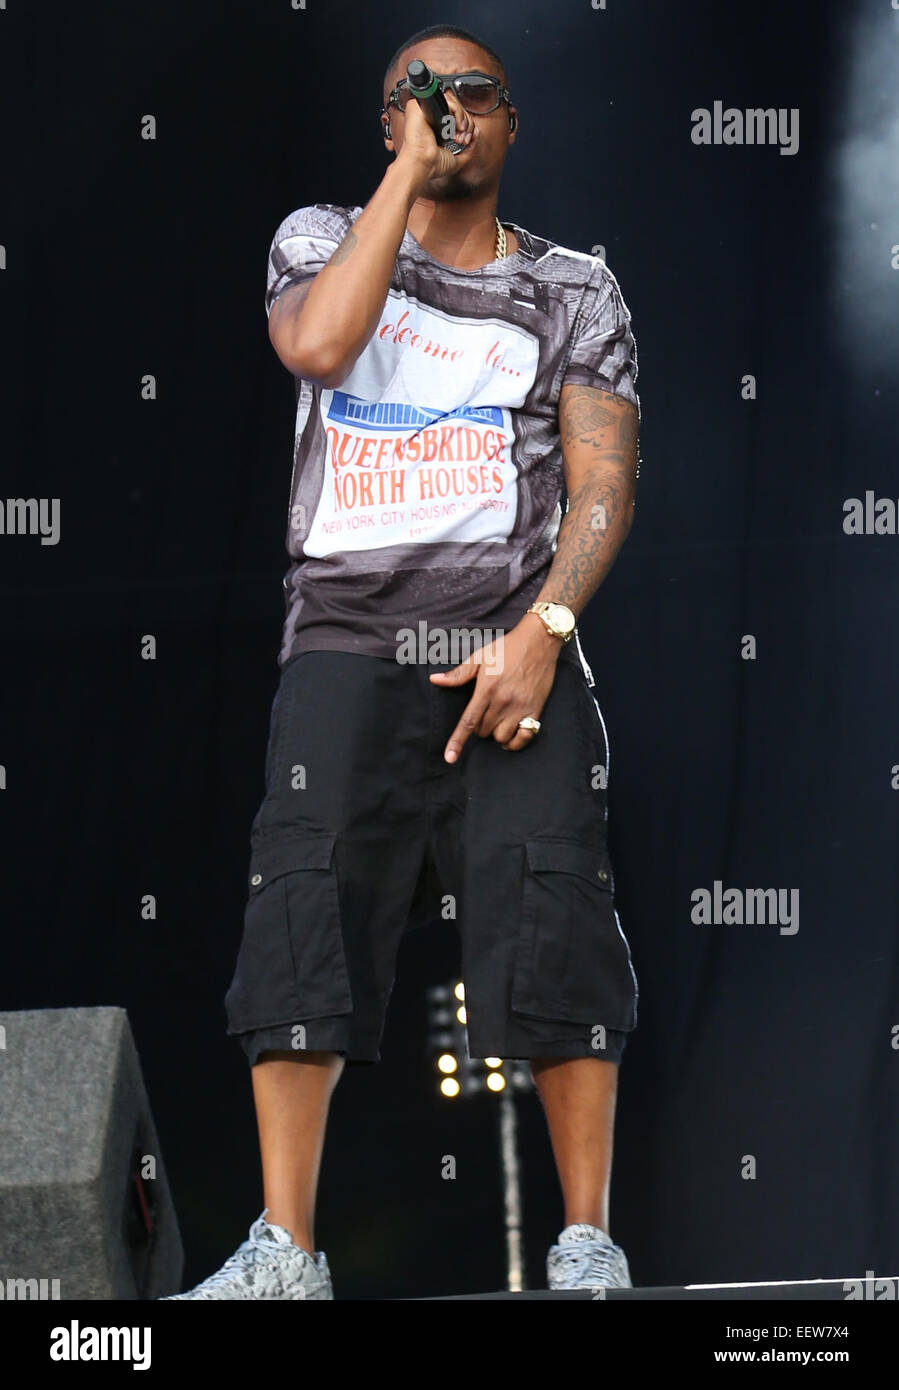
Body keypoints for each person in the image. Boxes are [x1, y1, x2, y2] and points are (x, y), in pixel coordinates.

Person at [162, 22, 641, 1300]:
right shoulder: (317, 237)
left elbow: (602, 482)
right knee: (299, 914)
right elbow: (320, 347)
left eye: (474, 94)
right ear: (388, 127)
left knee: (554, 920)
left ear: (512, 121)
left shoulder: (574, 288)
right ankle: (287, 1249)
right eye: (420, 100)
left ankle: (586, 1243)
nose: (450, 112)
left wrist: (543, 636)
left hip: (513, 649)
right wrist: (404, 175)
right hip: (344, 644)